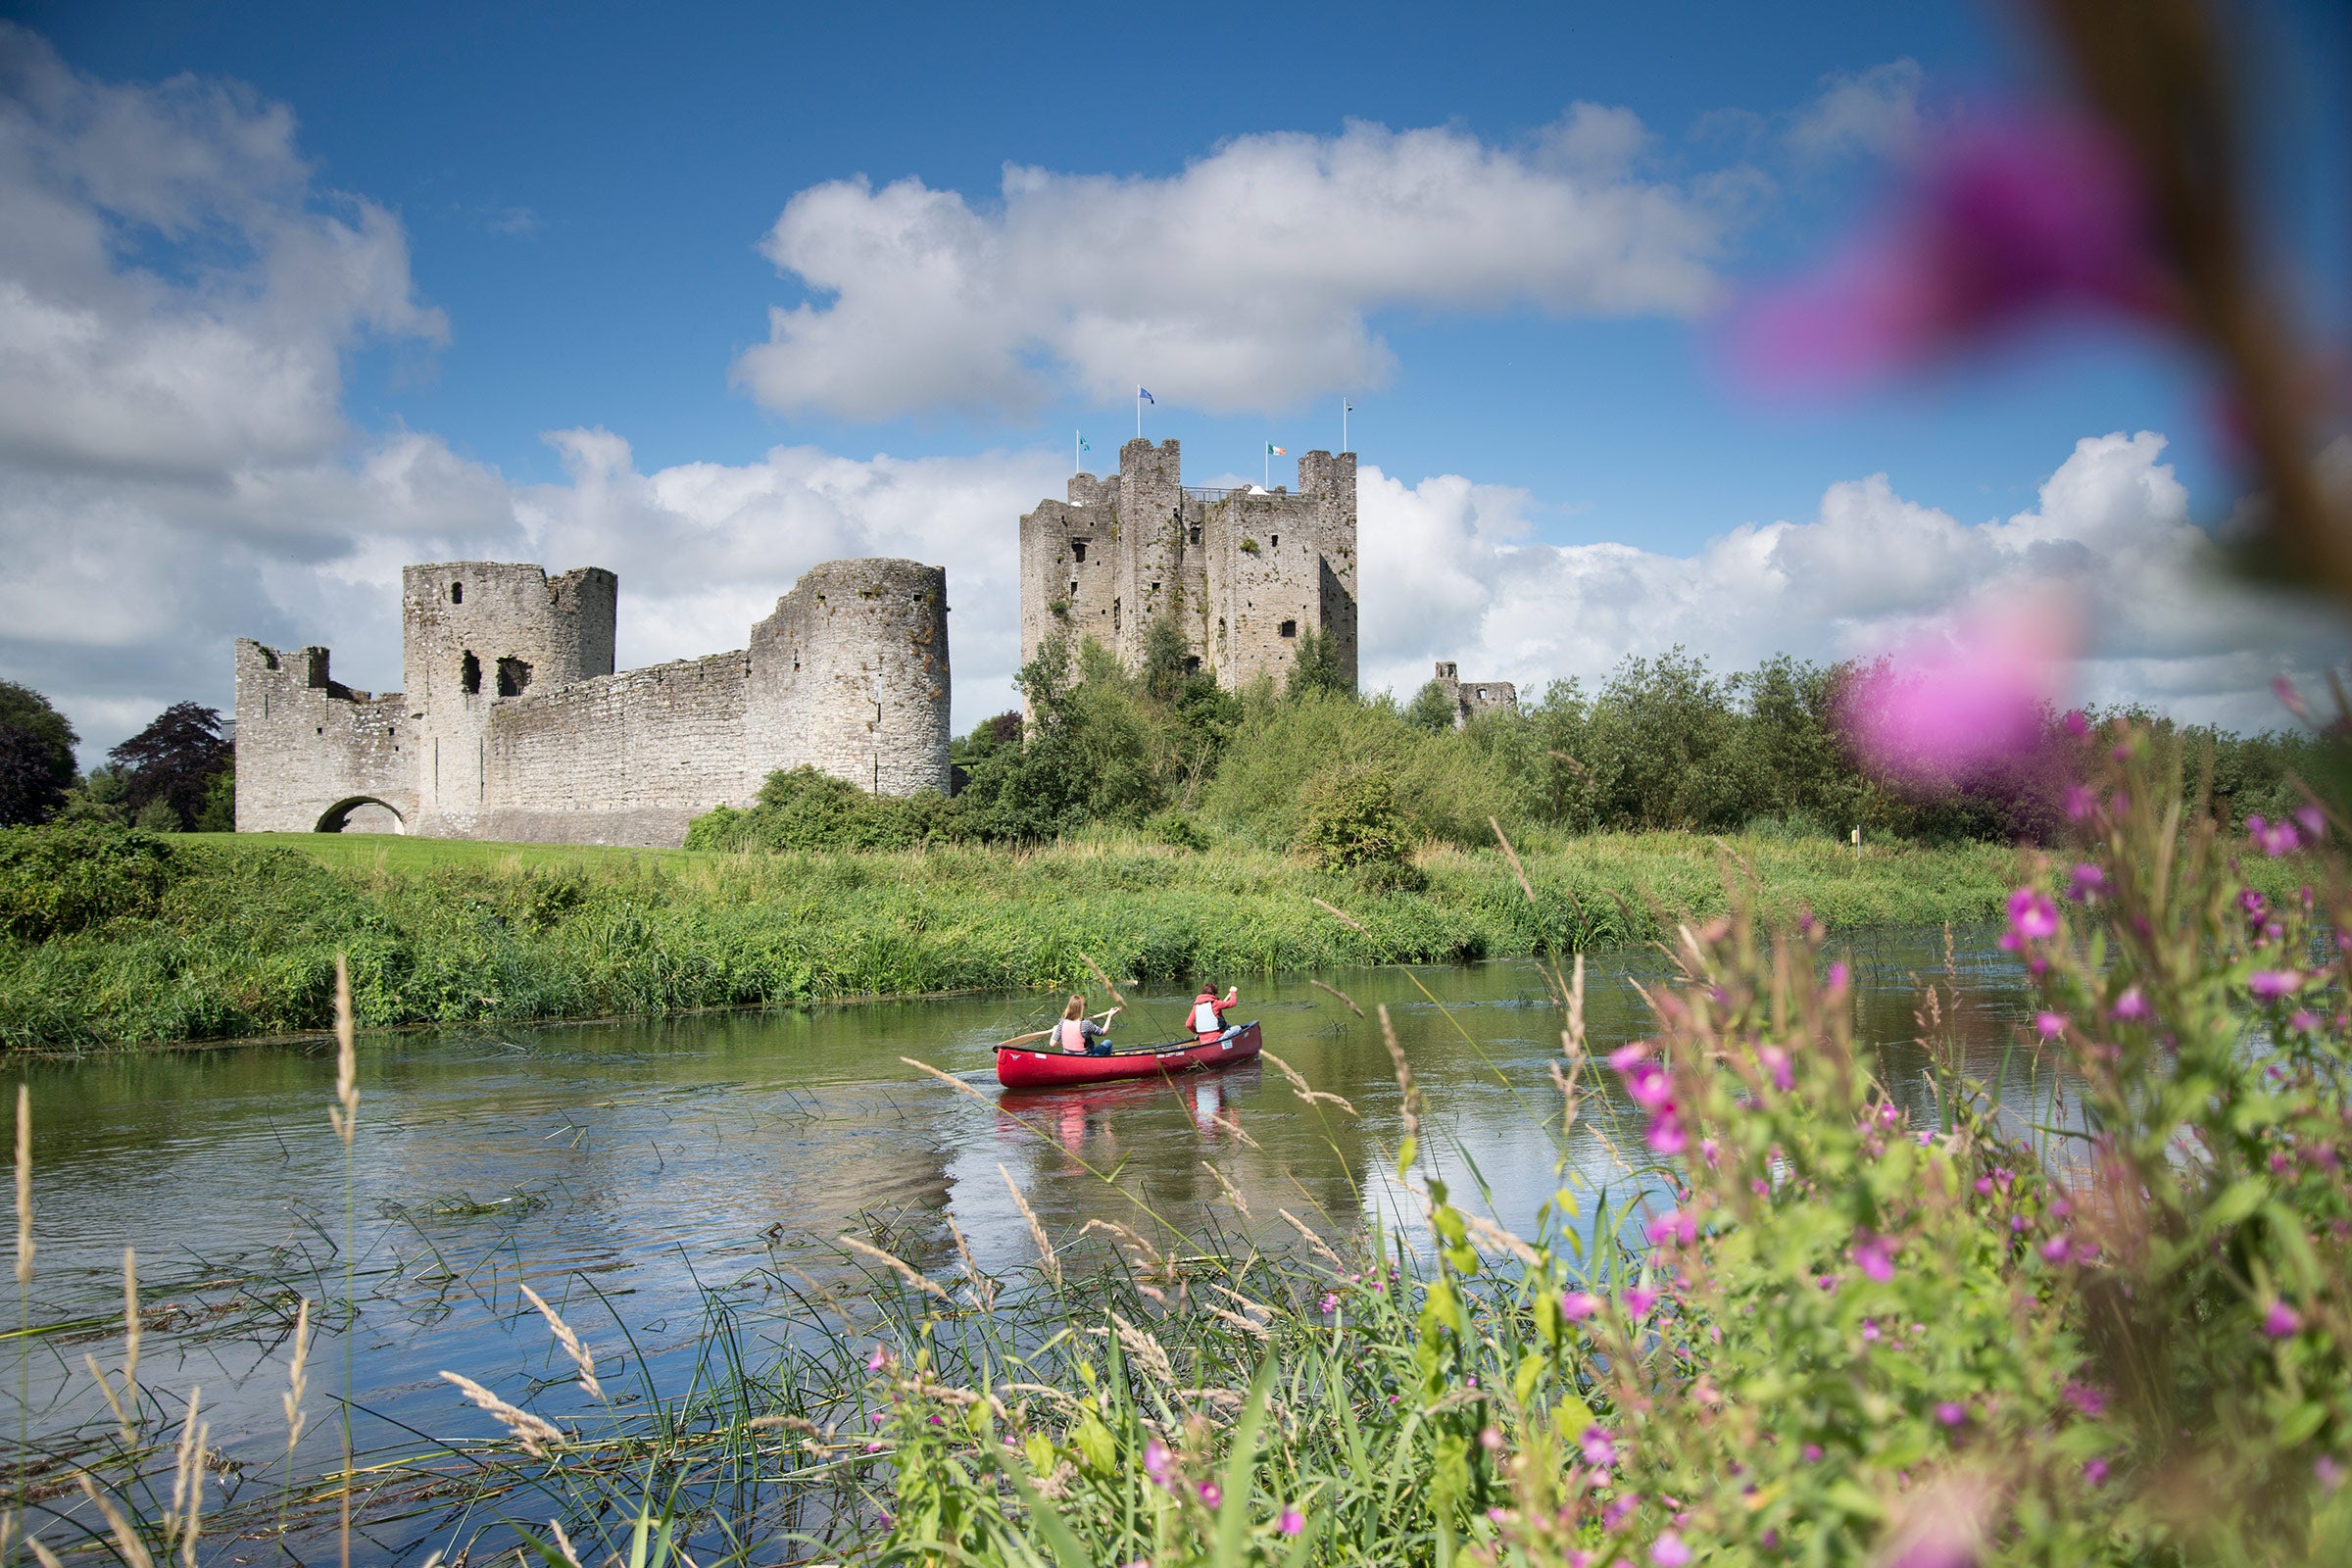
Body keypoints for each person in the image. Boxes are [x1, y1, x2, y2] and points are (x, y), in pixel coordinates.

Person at [1052, 994, 1121, 1055]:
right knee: (1108, 1042)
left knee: (1089, 1044)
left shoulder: (1062, 1023)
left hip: (1069, 1058)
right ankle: (1104, 1064)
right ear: (1083, 1008)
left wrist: (1055, 1030)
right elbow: (1103, 1032)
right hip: (1085, 1059)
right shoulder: (1086, 1024)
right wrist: (1110, 1016)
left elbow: (1052, 1044)